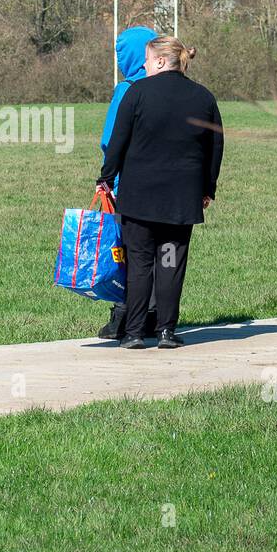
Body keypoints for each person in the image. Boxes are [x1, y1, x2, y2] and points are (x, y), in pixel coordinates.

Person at [97, 37, 223, 349]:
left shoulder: (137, 92)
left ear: (162, 61)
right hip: (181, 198)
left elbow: (118, 141)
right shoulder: (203, 97)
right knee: (170, 263)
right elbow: (214, 148)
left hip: (140, 196)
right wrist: (207, 188)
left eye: (148, 60)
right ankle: (167, 331)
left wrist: (106, 177)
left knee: (139, 264)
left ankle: (135, 332)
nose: (144, 66)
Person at [97, 25, 159, 341]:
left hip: (128, 183)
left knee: (128, 251)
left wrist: (107, 176)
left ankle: (122, 316)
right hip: (163, 184)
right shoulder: (166, 86)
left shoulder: (126, 90)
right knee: (161, 253)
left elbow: (110, 140)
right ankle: (154, 313)